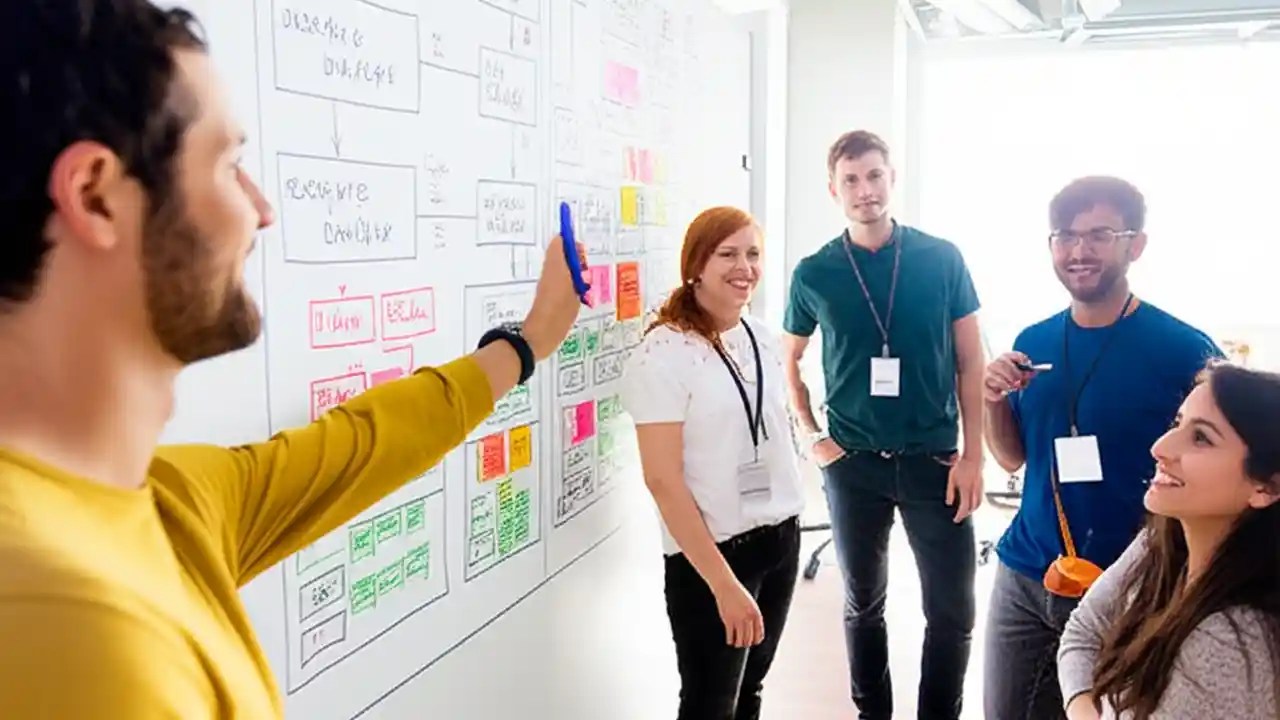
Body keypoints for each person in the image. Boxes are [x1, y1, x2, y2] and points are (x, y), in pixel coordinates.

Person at [0, 3, 583, 716]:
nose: (261, 208)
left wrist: (525, 345)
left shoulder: (161, 496)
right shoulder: (77, 630)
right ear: (96, 196)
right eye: (228, 164)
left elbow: (354, 448)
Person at [982, 176, 1223, 719]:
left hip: (1129, 582)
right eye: (1065, 236)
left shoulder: (1183, 350)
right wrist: (991, 399)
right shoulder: (1034, 342)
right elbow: (1012, 457)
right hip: (1026, 572)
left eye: (1099, 235)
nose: (1079, 251)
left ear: (1134, 245)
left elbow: (1223, 460)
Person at [782, 129, 986, 720]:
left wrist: (975, 455)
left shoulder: (941, 258)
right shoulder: (815, 272)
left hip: (935, 462)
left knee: (952, 610)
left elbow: (972, 361)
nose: (864, 190)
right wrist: (811, 434)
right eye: (850, 179)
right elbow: (787, 358)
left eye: (874, 175)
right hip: (854, 466)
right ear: (833, 189)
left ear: (892, 179)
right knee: (862, 604)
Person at [621, 206, 804, 720]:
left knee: (751, 692)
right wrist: (723, 584)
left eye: (752, 254)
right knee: (709, 705)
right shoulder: (663, 354)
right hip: (714, 556)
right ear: (695, 264)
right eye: (728, 254)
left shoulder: (760, 336)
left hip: (781, 538)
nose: (744, 267)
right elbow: (662, 480)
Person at [1057, 362, 1280, 720]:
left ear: (1266, 487)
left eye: (1201, 438)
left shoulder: (1228, 643)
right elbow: (1083, 631)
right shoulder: (1163, 540)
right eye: (1177, 424)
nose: (1160, 447)